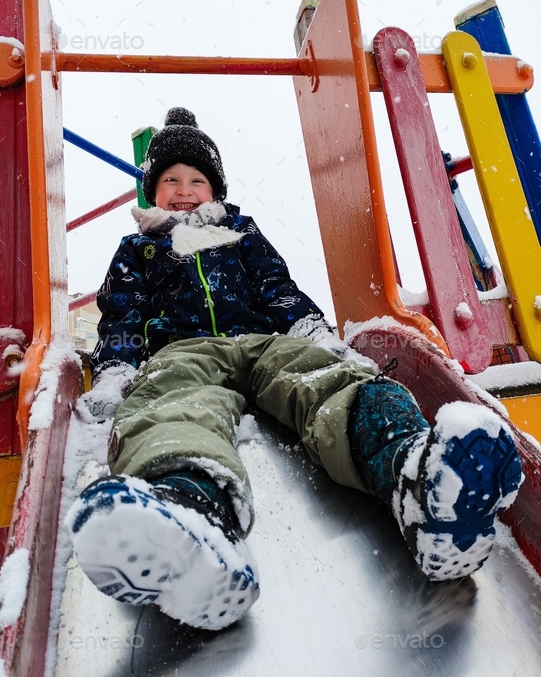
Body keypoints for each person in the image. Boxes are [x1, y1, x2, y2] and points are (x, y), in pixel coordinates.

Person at [66, 107, 523, 631]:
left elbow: (275, 286)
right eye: (171, 180)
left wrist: (312, 330)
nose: (185, 190)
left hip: (263, 342)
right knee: (174, 400)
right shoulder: (140, 247)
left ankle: (417, 478)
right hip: (182, 349)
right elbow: (122, 313)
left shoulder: (238, 232)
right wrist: (118, 370)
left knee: (330, 384)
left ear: (215, 190)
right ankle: (191, 510)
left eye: (198, 180)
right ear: (153, 192)